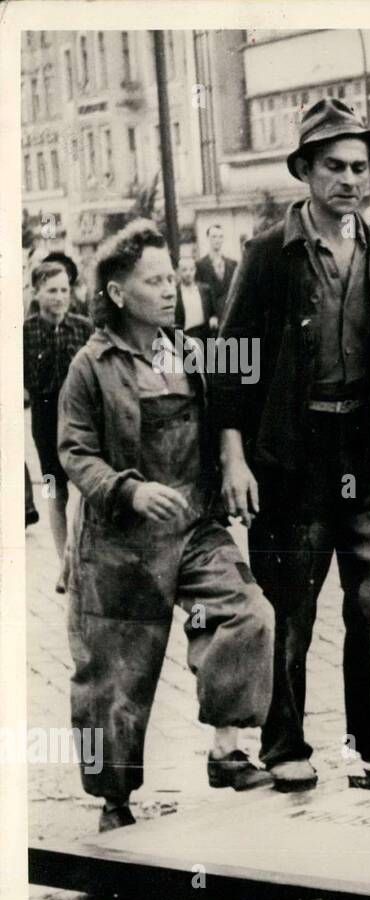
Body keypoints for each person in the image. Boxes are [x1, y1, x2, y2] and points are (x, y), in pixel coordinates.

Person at [213, 97, 370, 795]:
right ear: (305, 171)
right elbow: (231, 361)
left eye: (360, 167)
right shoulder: (268, 257)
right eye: (335, 166)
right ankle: (285, 744)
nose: (349, 178)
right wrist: (232, 456)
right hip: (292, 452)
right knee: (290, 602)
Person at [59, 219, 275, 832]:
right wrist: (127, 489)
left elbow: (226, 412)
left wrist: (233, 466)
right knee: (114, 677)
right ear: (119, 293)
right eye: (153, 280)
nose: (169, 290)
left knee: (247, 614)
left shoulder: (189, 351)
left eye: (173, 277)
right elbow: (73, 451)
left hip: (195, 525)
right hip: (121, 543)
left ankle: (228, 750)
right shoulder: (90, 365)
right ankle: (113, 801)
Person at [24, 259, 94, 585]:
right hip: (45, 417)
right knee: (54, 489)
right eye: (52, 290)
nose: (59, 297)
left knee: (84, 487)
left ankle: (80, 557)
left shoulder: (83, 328)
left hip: (81, 417)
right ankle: (64, 563)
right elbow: (25, 380)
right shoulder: (24, 331)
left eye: (64, 289)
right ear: (37, 293)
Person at [195, 224, 239, 316]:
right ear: (207, 238)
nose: (217, 240)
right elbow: (199, 294)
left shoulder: (233, 264)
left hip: (230, 315)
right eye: (214, 236)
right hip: (210, 319)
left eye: (220, 237)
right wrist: (211, 316)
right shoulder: (199, 265)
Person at [174, 254, 218, 345]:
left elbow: (213, 313)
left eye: (191, 269)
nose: (188, 273)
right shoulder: (174, 293)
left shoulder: (205, 289)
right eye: (184, 270)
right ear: (178, 272)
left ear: (195, 270)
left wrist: (214, 319)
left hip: (206, 335)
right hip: (186, 337)